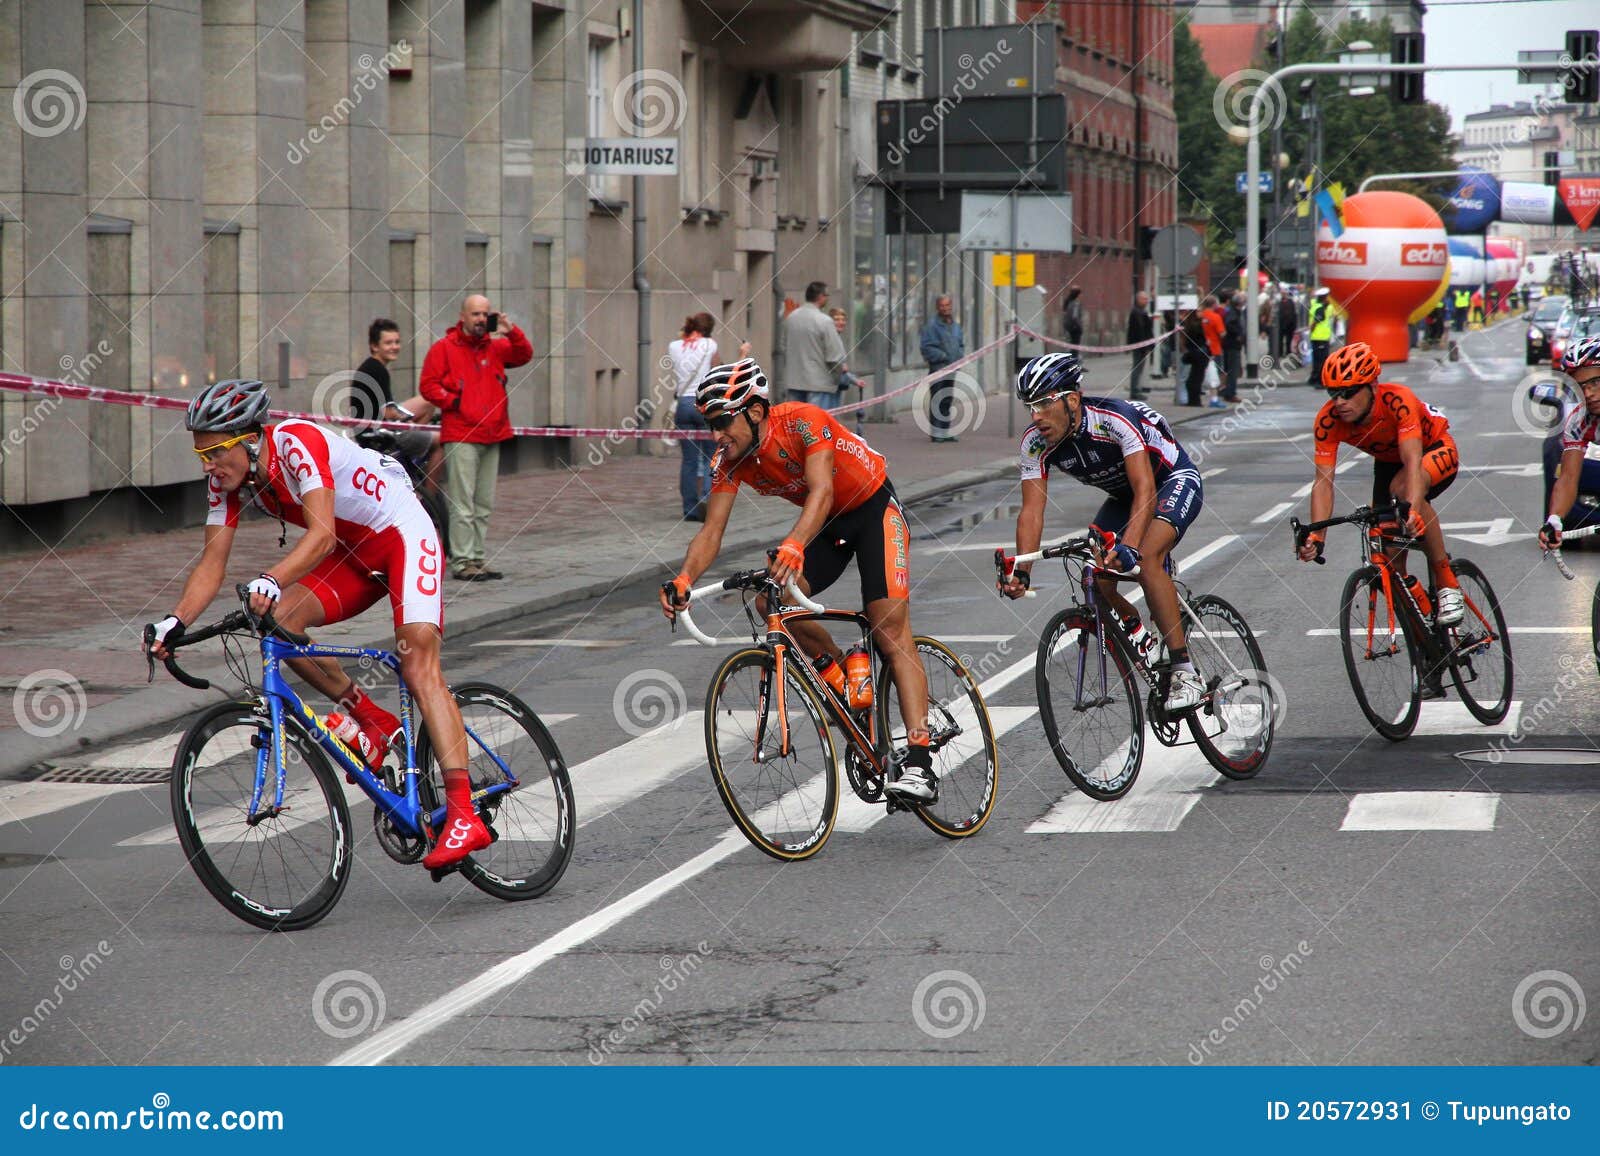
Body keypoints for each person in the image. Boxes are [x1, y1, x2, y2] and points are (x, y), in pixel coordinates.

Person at [143, 380, 491, 871]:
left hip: (402, 534)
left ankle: (462, 813)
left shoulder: (295, 442)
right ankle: (370, 719)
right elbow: (212, 562)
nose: (209, 465)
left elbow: (322, 535)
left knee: (418, 663)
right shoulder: (226, 483)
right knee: (279, 619)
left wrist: (271, 577)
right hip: (354, 554)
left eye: (216, 451)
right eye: (201, 454)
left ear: (248, 438)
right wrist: (174, 621)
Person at [657, 359, 938, 801]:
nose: (716, 435)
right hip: (827, 528)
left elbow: (823, 490)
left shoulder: (804, 421)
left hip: (872, 510)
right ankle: (842, 678)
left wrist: (793, 545)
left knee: (888, 629)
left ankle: (920, 761)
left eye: (722, 422)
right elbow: (711, 530)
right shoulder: (730, 460)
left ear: (753, 411)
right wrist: (685, 578)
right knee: (772, 604)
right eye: (710, 425)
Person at [999, 353, 1207, 713]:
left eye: (1045, 402)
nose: (1036, 415)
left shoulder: (1113, 421)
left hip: (1170, 481)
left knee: (1147, 559)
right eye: (1030, 405)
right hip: (1124, 497)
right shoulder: (1035, 443)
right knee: (1096, 578)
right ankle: (1144, 639)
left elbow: (1145, 489)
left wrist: (1130, 547)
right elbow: (1032, 511)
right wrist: (1022, 570)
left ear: (1072, 400)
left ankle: (1185, 671)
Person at [1295, 342, 1464, 635]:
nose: (1339, 402)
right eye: (1333, 393)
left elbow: (1412, 461)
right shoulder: (1328, 420)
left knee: (1403, 491)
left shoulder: (1398, 400)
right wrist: (1317, 535)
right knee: (1389, 560)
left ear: (1372, 386)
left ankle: (1447, 581)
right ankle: (1425, 637)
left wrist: (1411, 507)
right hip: (1388, 464)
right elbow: (1323, 481)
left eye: (1348, 392)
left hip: (1432, 448)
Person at [419, 295, 533, 582]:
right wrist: (454, 402)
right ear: (463, 316)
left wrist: (511, 329)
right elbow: (428, 386)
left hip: (492, 434)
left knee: (483, 502)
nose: (481, 319)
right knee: (462, 502)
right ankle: (463, 560)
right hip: (461, 433)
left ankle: (477, 557)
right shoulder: (444, 348)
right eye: (476, 314)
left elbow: (524, 354)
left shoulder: (496, 347)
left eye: (485, 314)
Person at [668, 312, 749, 522]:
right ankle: (706, 500)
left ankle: (690, 509)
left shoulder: (674, 346)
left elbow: (682, 338)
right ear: (709, 330)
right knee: (711, 456)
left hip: (682, 405)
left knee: (688, 461)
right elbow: (723, 374)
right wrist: (742, 355)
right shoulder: (710, 345)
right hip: (702, 405)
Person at [358, 319, 440, 486]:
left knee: (427, 402)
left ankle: (413, 452)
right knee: (443, 440)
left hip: (372, 429)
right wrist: (408, 422)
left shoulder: (372, 366)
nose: (394, 346)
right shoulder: (377, 369)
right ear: (375, 346)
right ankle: (428, 500)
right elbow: (388, 412)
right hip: (378, 435)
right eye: (388, 343)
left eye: (397, 342)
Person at [1540, 337, 1600, 557]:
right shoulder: (1579, 421)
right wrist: (1555, 519)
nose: (1588, 394)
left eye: (1594, 382)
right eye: (1580, 387)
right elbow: (1568, 478)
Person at [781, 281, 846, 410]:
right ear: (821, 297)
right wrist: (838, 378)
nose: (827, 298)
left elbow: (783, 346)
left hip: (794, 382)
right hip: (819, 384)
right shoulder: (825, 321)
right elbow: (835, 356)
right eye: (827, 295)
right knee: (816, 426)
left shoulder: (791, 318)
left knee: (797, 426)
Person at [919, 294, 966, 442]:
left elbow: (960, 344)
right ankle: (936, 432)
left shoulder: (955, 326)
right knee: (937, 400)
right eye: (942, 306)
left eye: (947, 305)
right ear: (937, 307)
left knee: (947, 399)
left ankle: (946, 431)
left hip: (952, 369)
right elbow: (926, 347)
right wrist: (942, 356)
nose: (945, 308)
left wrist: (959, 356)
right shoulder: (932, 326)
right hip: (938, 369)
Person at [1126, 290, 1153, 401]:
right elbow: (1139, 331)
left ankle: (1136, 389)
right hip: (1140, 345)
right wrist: (1144, 346)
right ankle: (1135, 391)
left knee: (1139, 368)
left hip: (1141, 344)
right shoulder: (1137, 312)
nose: (1146, 301)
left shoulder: (1141, 311)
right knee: (1137, 368)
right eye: (1144, 299)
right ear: (1138, 300)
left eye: (1147, 299)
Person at [1180, 308, 1210, 406]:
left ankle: (1193, 400)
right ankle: (1195, 401)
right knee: (1196, 379)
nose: (1202, 313)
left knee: (1194, 378)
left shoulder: (1190, 324)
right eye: (1199, 311)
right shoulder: (1197, 325)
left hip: (1196, 354)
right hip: (1198, 354)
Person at [1199, 295, 1225, 407]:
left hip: (1201, 348)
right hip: (1215, 349)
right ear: (1214, 304)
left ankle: (1209, 396)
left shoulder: (1200, 316)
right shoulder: (1215, 317)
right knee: (1214, 375)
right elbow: (1222, 333)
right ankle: (1214, 399)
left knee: (1204, 374)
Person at [1221, 291, 1245, 403]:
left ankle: (1228, 392)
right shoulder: (1233, 312)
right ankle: (1230, 393)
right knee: (1232, 370)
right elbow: (1229, 324)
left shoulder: (1232, 311)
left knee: (1231, 369)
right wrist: (1238, 335)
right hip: (1232, 345)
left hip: (1231, 345)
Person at [1306, 287, 1333, 386]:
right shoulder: (1320, 308)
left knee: (1316, 359)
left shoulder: (1315, 305)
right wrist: (1312, 328)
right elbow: (1316, 321)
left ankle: (1313, 378)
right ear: (1324, 297)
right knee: (1322, 360)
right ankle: (1320, 381)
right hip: (1321, 337)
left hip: (1315, 337)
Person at [1276, 290, 1300, 363]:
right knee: (1280, 339)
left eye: (1284, 293)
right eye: (1282, 293)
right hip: (1281, 324)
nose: (1283, 295)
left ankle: (1288, 352)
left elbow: (1294, 314)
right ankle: (1280, 352)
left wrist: (1294, 325)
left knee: (1288, 340)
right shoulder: (1279, 302)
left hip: (1289, 324)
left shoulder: (1291, 302)